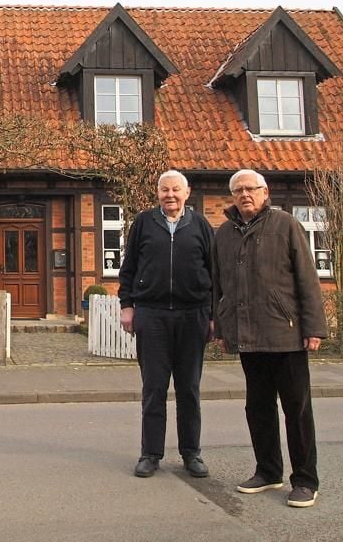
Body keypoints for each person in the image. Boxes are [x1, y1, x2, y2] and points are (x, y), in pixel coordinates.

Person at [212, 169, 328, 509]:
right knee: (258, 408)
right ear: (232, 196)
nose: (245, 194)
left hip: (286, 334)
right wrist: (222, 328)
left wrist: (313, 328)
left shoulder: (285, 225)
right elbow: (220, 287)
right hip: (248, 338)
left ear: (265, 193)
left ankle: (305, 480)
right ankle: (268, 471)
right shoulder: (224, 234)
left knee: (297, 409)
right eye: (238, 190)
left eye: (251, 189)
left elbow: (308, 278)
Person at [118, 169, 214, 479]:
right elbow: (128, 267)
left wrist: (212, 314)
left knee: (189, 388)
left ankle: (191, 453)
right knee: (154, 388)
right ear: (157, 194)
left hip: (192, 314)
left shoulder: (200, 225)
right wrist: (127, 305)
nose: (169, 195)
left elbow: (216, 273)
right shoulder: (145, 222)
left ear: (187, 193)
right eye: (164, 190)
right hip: (152, 314)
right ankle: (151, 454)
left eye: (175, 190)